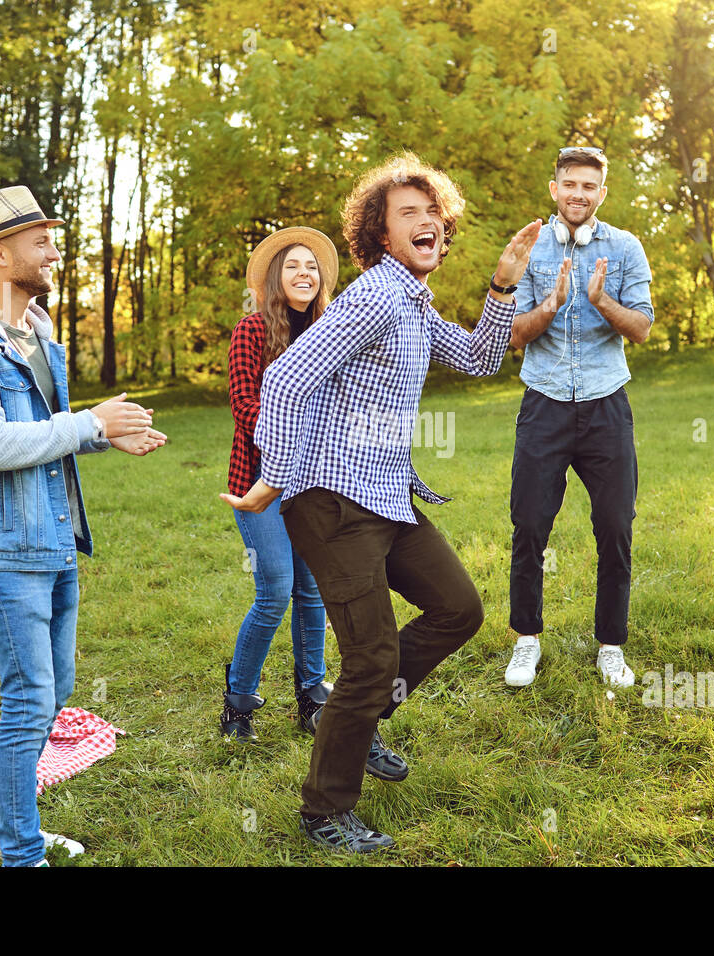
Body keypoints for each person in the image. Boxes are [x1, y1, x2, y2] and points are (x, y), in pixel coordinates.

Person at [221, 152, 541, 853]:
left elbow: (482, 358)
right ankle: (323, 810)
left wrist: (502, 287)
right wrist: (278, 472)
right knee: (371, 656)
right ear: (380, 236)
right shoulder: (372, 297)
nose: (427, 223)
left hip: (386, 495)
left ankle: (355, 722)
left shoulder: (414, 301)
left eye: (433, 213)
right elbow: (287, 379)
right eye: (408, 214)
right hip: (332, 501)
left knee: (459, 608)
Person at [0, 185, 166, 867]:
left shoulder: (38, 330)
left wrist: (103, 436)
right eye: (41, 242)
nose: (56, 252)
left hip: (54, 535)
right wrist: (90, 422)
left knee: (52, 691)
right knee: (30, 694)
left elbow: (39, 433)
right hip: (1, 548)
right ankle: (20, 854)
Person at [502, 146, 655, 689]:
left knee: (615, 527)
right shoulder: (529, 247)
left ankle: (611, 646)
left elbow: (640, 329)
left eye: (589, 186)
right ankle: (526, 640)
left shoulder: (626, 248)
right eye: (570, 184)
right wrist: (549, 306)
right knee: (529, 525)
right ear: (554, 188)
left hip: (606, 405)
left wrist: (600, 303)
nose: (578, 194)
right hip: (542, 403)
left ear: (601, 194)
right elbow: (510, 334)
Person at [223, 227, 338, 739]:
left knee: (312, 590)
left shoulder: (331, 331)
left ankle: (311, 699)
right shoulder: (251, 331)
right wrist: (297, 434)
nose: (304, 273)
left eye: (311, 266)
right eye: (292, 265)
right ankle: (238, 703)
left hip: (314, 482)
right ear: (275, 277)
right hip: (258, 480)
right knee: (275, 591)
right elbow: (245, 407)